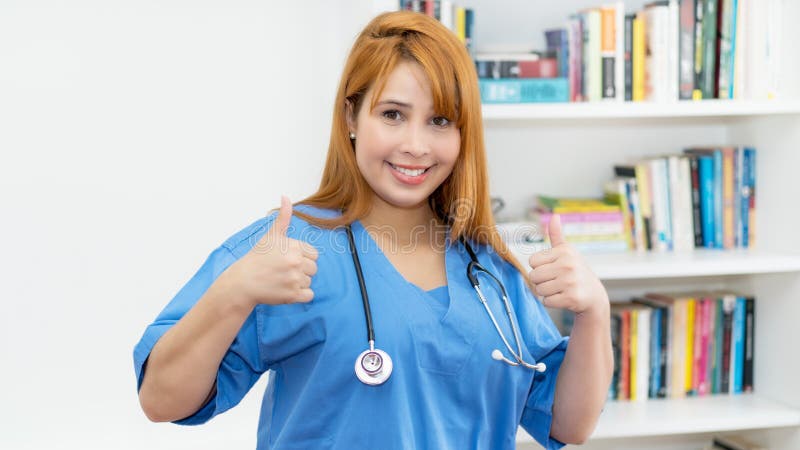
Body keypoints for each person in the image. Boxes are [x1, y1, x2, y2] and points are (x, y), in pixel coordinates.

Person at [134, 10, 612, 450]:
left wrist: (594, 313)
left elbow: (566, 424)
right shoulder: (288, 249)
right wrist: (233, 293)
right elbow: (162, 400)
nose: (416, 145)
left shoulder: (487, 267)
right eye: (393, 115)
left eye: (440, 121)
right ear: (350, 118)